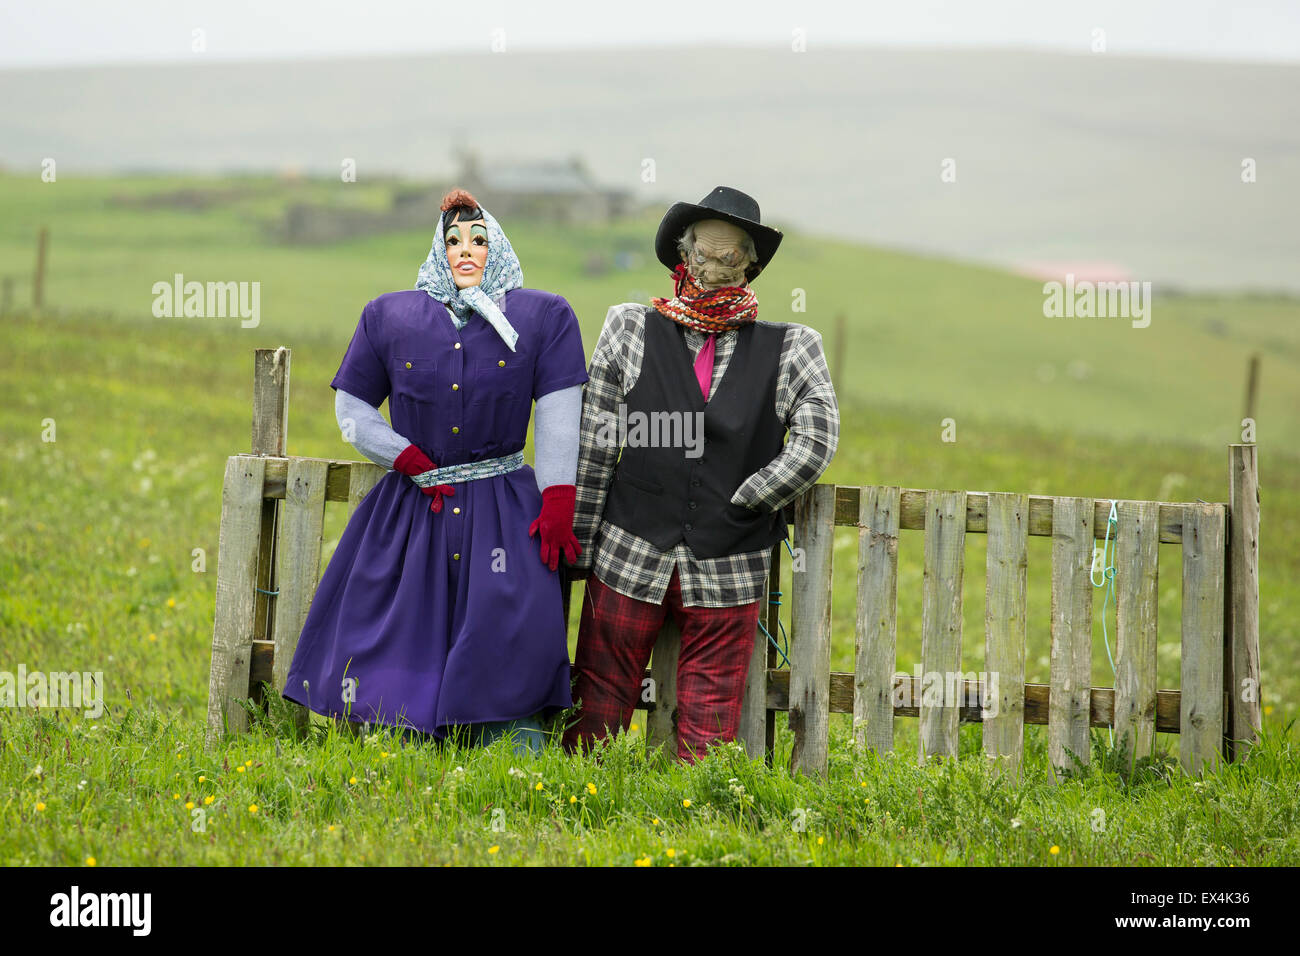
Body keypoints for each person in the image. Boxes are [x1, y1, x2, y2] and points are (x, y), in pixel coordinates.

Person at [282, 188, 587, 756]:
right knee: (396, 618)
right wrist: (402, 455)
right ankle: (394, 745)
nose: (464, 250)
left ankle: (509, 749)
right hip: (414, 501)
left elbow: (559, 412)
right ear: (436, 248)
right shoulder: (388, 316)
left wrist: (558, 498)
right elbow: (351, 409)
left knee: (508, 619)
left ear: (498, 247)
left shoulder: (543, 317)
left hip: (503, 505)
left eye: (478, 239)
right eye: (452, 240)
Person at [563, 186, 839, 763]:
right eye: (703, 254)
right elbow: (595, 444)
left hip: (730, 563)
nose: (714, 268)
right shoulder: (629, 327)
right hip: (627, 549)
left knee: (710, 726)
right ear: (682, 257)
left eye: (730, 256)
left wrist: (752, 498)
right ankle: (577, 801)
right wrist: (581, 549)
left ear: (751, 264)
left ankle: (691, 821)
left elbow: (818, 438)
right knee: (596, 699)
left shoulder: (793, 348)